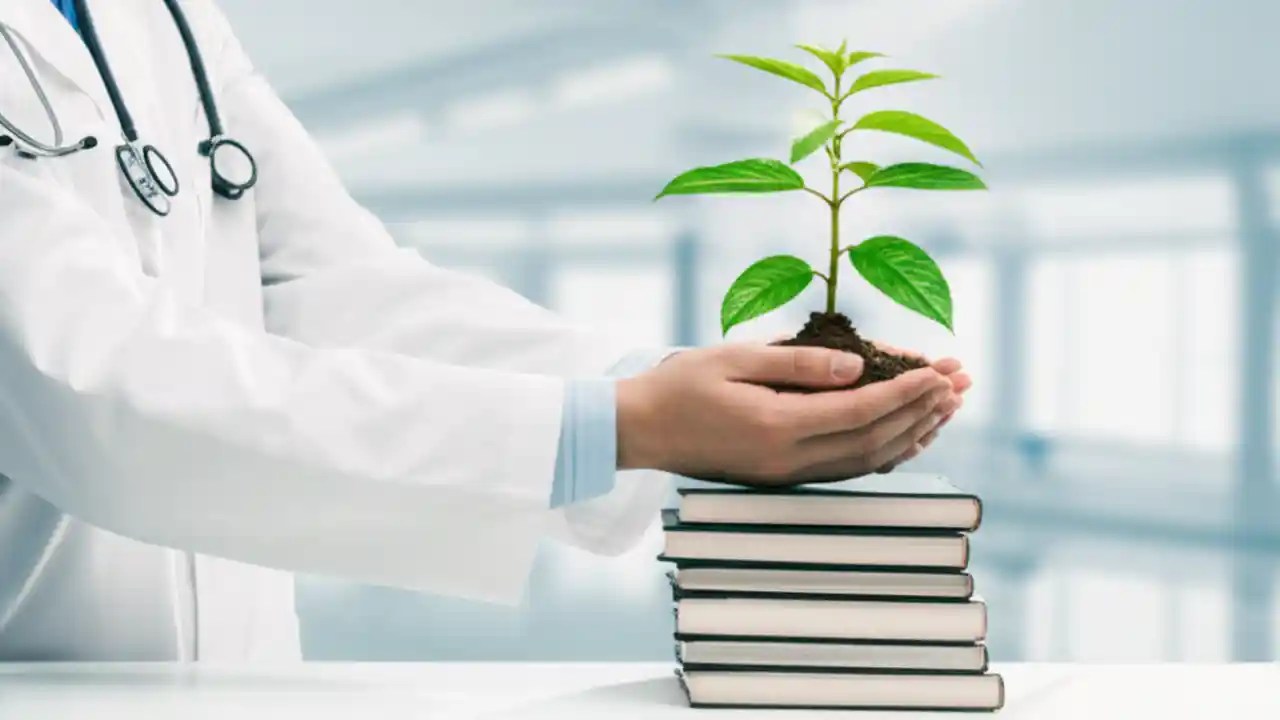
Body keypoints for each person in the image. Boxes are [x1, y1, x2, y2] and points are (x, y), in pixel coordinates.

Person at [0, 0, 969, 661]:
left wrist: (649, 384)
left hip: (238, 677)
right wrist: (623, 425)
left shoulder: (165, 16)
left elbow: (327, 284)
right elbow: (88, 385)